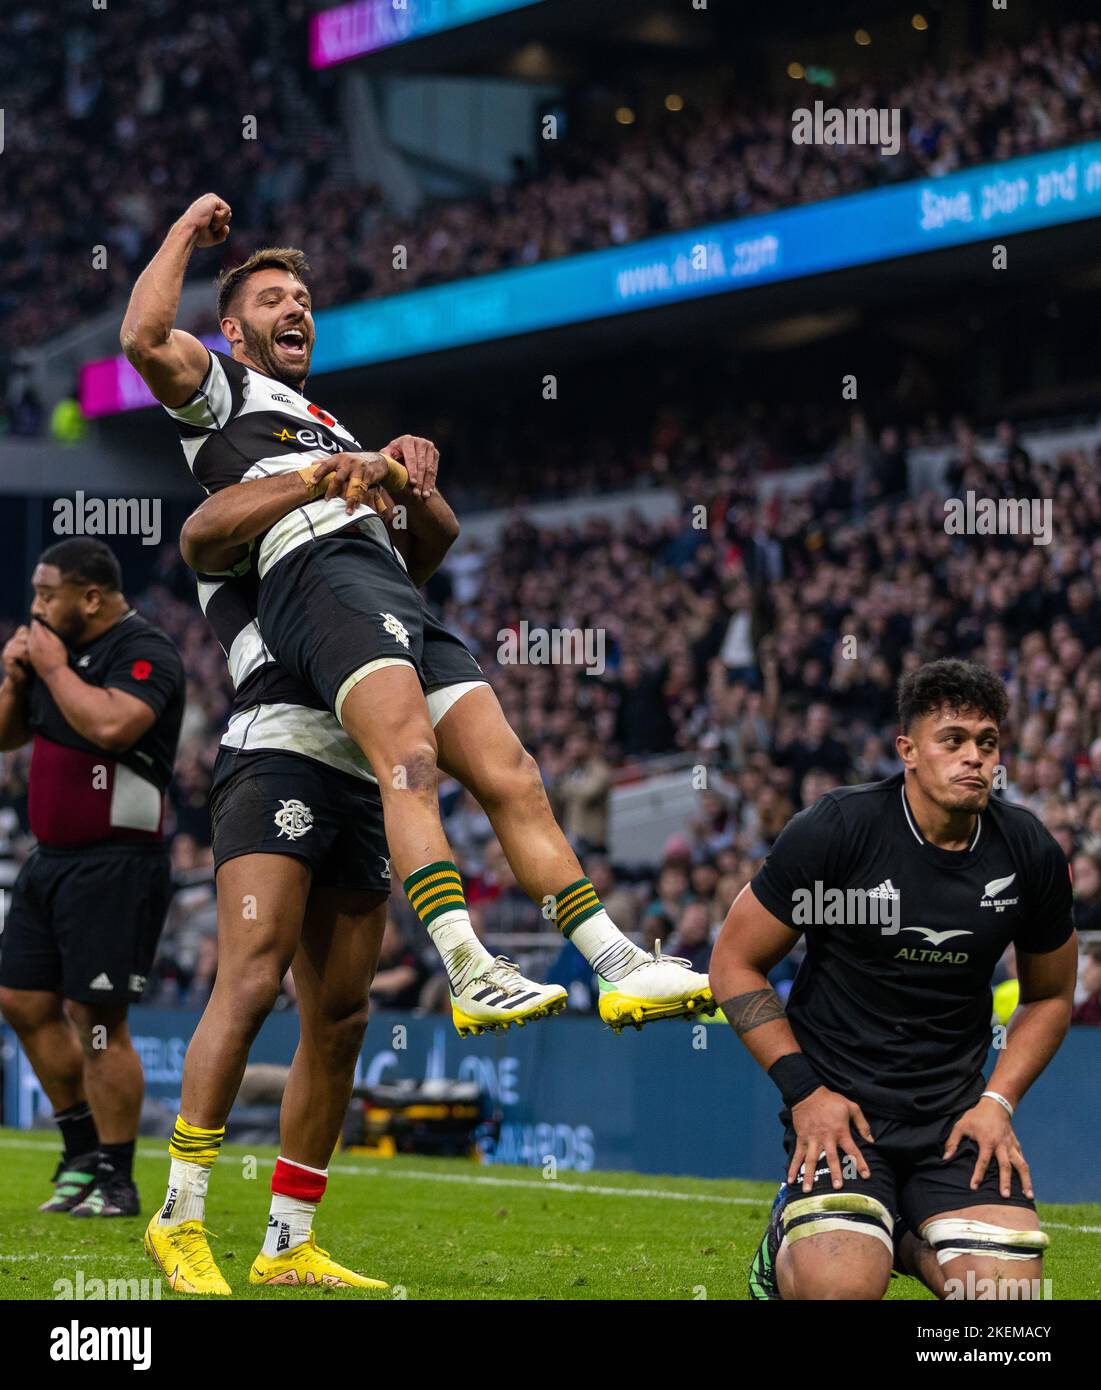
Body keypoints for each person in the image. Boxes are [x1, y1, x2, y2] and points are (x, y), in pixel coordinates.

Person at [120, 191, 711, 1032]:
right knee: (408, 759)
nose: (297, 309)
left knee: (512, 774)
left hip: (392, 591)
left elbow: (427, 549)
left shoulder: (324, 421)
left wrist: (407, 473)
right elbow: (140, 339)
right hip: (318, 581)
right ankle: (469, 965)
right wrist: (183, 229)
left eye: (304, 301)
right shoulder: (225, 389)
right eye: (273, 300)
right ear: (236, 332)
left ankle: (616, 959)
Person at [709, 659, 1077, 1301]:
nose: (974, 758)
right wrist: (805, 1094)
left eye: (987, 743)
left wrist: (998, 1103)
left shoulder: (1028, 851)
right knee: (843, 1291)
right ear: (908, 750)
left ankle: (902, 1232)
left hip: (955, 1121)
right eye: (953, 741)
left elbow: (1049, 994)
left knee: (1010, 1312)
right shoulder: (839, 829)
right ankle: (787, 1241)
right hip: (839, 1114)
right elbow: (733, 964)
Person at [0, 539, 184, 1219]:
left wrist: (49, 667)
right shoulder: (51, 657)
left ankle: (117, 1177)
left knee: (99, 1021)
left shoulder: (147, 651)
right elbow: (4, 737)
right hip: (49, 859)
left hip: (117, 863)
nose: (37, 608)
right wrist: (18, 679)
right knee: (21, 1001)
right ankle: (80, 1152)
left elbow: (111, 726)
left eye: (48, 595)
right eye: (36, 594)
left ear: (92, 597)